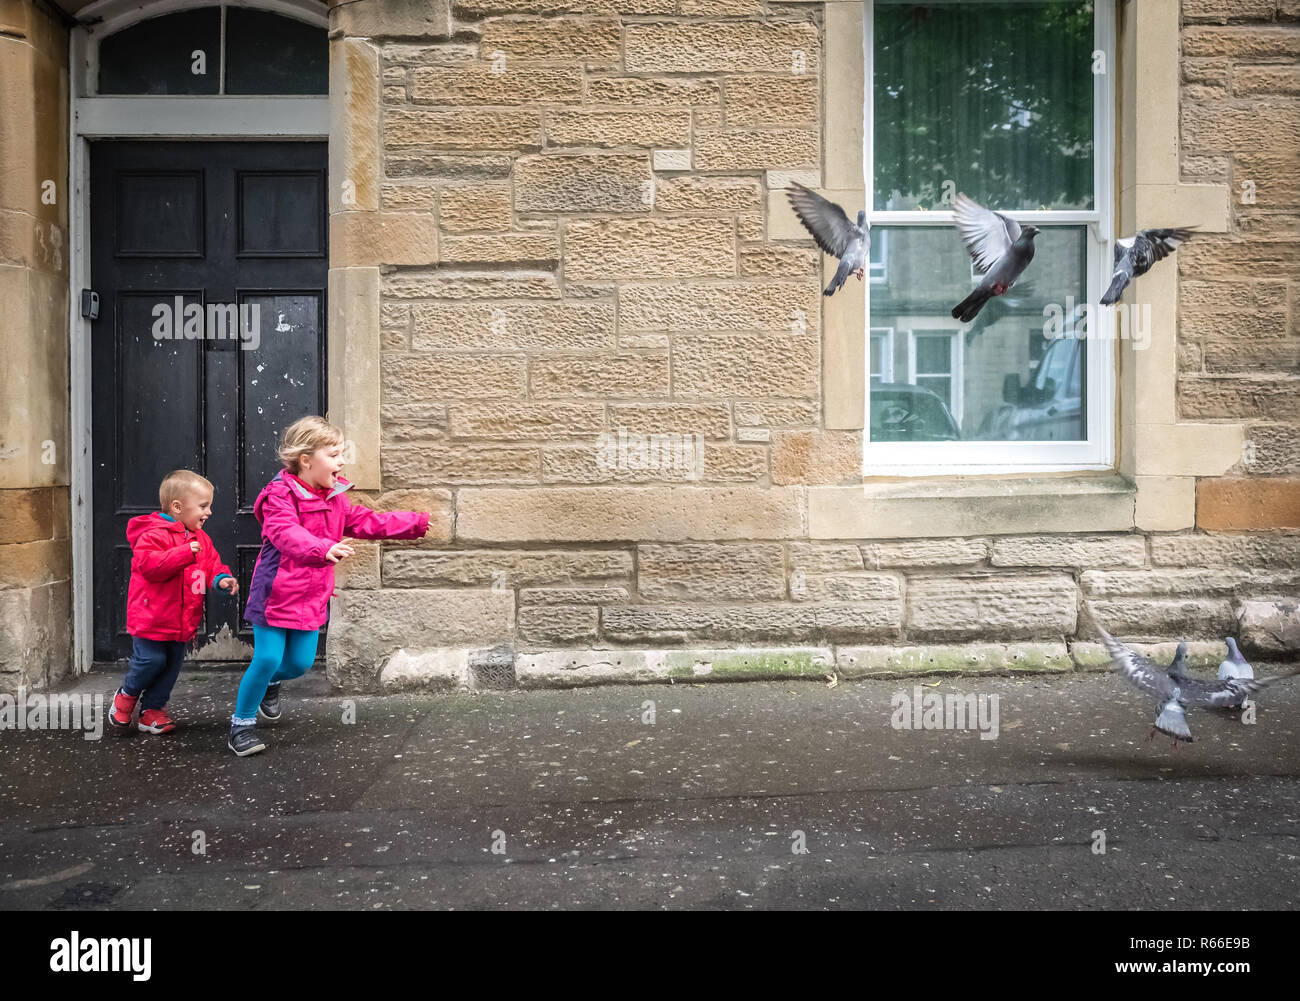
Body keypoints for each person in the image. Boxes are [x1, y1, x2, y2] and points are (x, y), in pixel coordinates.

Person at [229, 416, 430, 756]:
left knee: (298, 664)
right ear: (306, 460)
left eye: (341, 455)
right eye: (334, 455)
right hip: (275, 593)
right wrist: (323, 548)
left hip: (311, 596)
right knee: (265, 658)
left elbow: (365, 521)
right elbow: (284, 532)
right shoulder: (279, 495)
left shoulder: (336, 497)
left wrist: (414, 523)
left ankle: (270, 684)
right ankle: (241, 725)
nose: (341, 462)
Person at [111, 470, 238, 734]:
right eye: (203, 506)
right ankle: (127, 694)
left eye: (209, 505)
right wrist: (182, 553)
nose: (209, 512)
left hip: (183, 621)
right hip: (151, 618)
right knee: (151, 661)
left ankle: (153, 711)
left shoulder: (201, 539)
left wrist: (221, 579)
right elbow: (150, 567)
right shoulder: (152, 535)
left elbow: (212, 564)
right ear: (177, 507)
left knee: (170, 668)